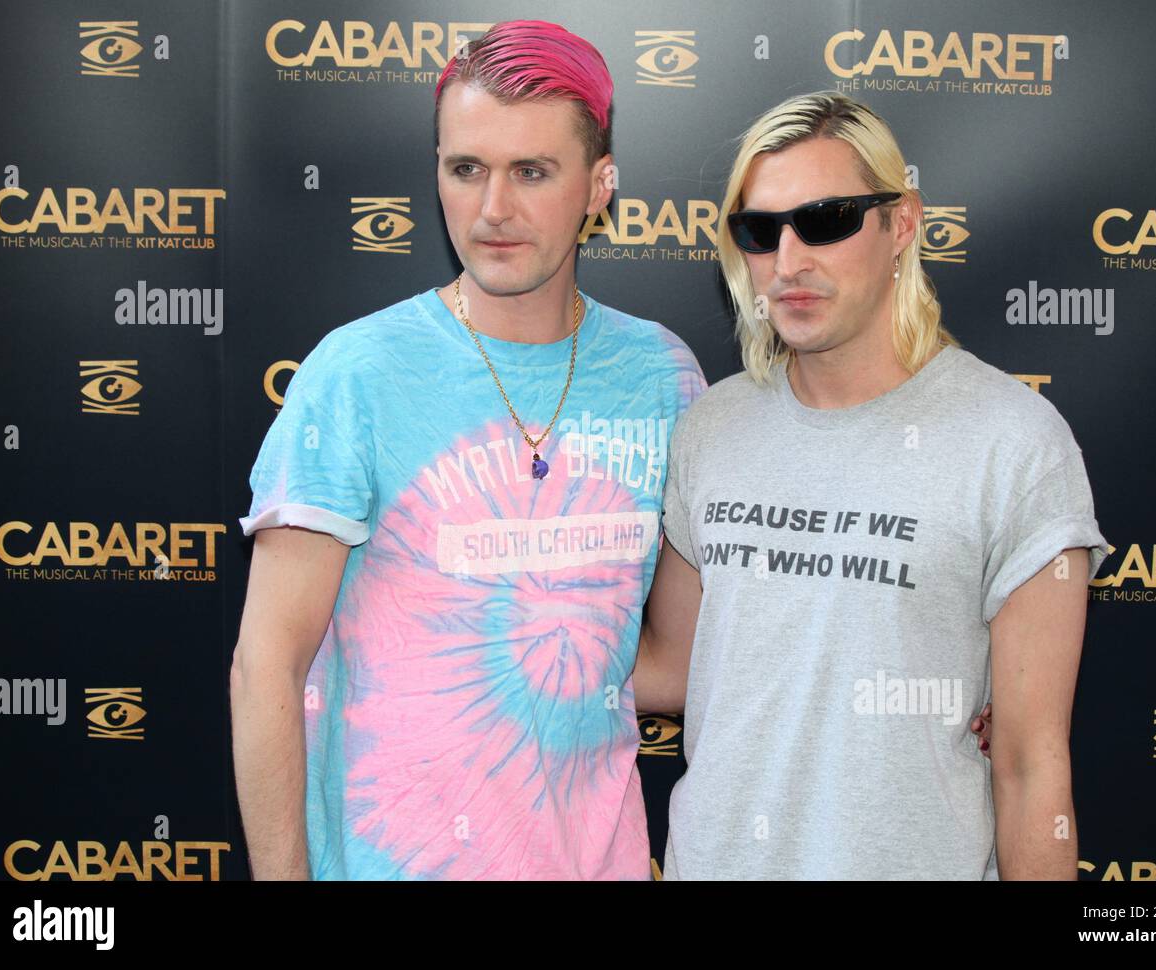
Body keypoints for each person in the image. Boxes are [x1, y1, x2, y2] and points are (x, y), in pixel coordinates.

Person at [229, 20, 706, 880]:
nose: (494, 209)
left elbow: (679, 660)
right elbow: (268, 663)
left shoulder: (663, 376)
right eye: (466, 169)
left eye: (532, 171)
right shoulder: (359, 373)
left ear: (600, 185)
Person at [634, 92, 1106, 879]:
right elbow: (675, 669)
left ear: (903, 224)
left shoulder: (1015, 444)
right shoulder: (710, 430)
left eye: (826, 220)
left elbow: (1029, 767)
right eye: (760, 231)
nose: (788, 263)